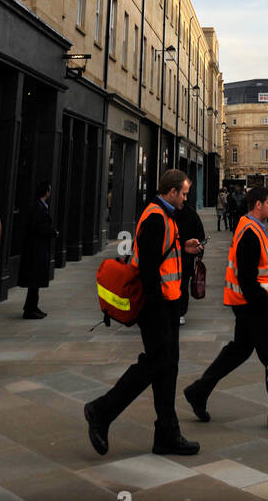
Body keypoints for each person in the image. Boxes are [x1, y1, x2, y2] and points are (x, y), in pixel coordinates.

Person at [84, 169, 202, 458]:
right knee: (155, 364)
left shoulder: (166, 216)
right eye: (184, 193)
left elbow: (162, 257)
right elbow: (148, 270)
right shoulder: (155, 217)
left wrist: (183, 249)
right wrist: (157, 310)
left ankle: (167, 434)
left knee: (167, 366)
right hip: (156, 307)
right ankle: (101, 410)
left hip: (168, 304)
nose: (186, 199)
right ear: (171, 191)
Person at [183, 185, 268, 432]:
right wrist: (263, 305)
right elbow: (247, 278)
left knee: (238, 350)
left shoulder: (248, 226)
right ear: (257, 205)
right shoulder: (250, 233)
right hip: (255, 307)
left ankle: (198, 390)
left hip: (246, 305)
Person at [18, 180, 57, 318]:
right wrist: (52, 232)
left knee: (35, 281)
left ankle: (32, 306)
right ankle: (30, 309)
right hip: (36, 250)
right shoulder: (39, 207)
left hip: (37, 249)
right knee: (35, 280)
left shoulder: (39, 206)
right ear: (46, 192)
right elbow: (39, 228)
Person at [176, 194, 205, 323]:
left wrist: (198, 256)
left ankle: (180, 312)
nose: (186, 198)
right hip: (171, 259)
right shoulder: (164, 213)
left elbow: (200, 235)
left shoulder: (190, 214)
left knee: (182, 286)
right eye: (183, 194)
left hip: (186, 259)